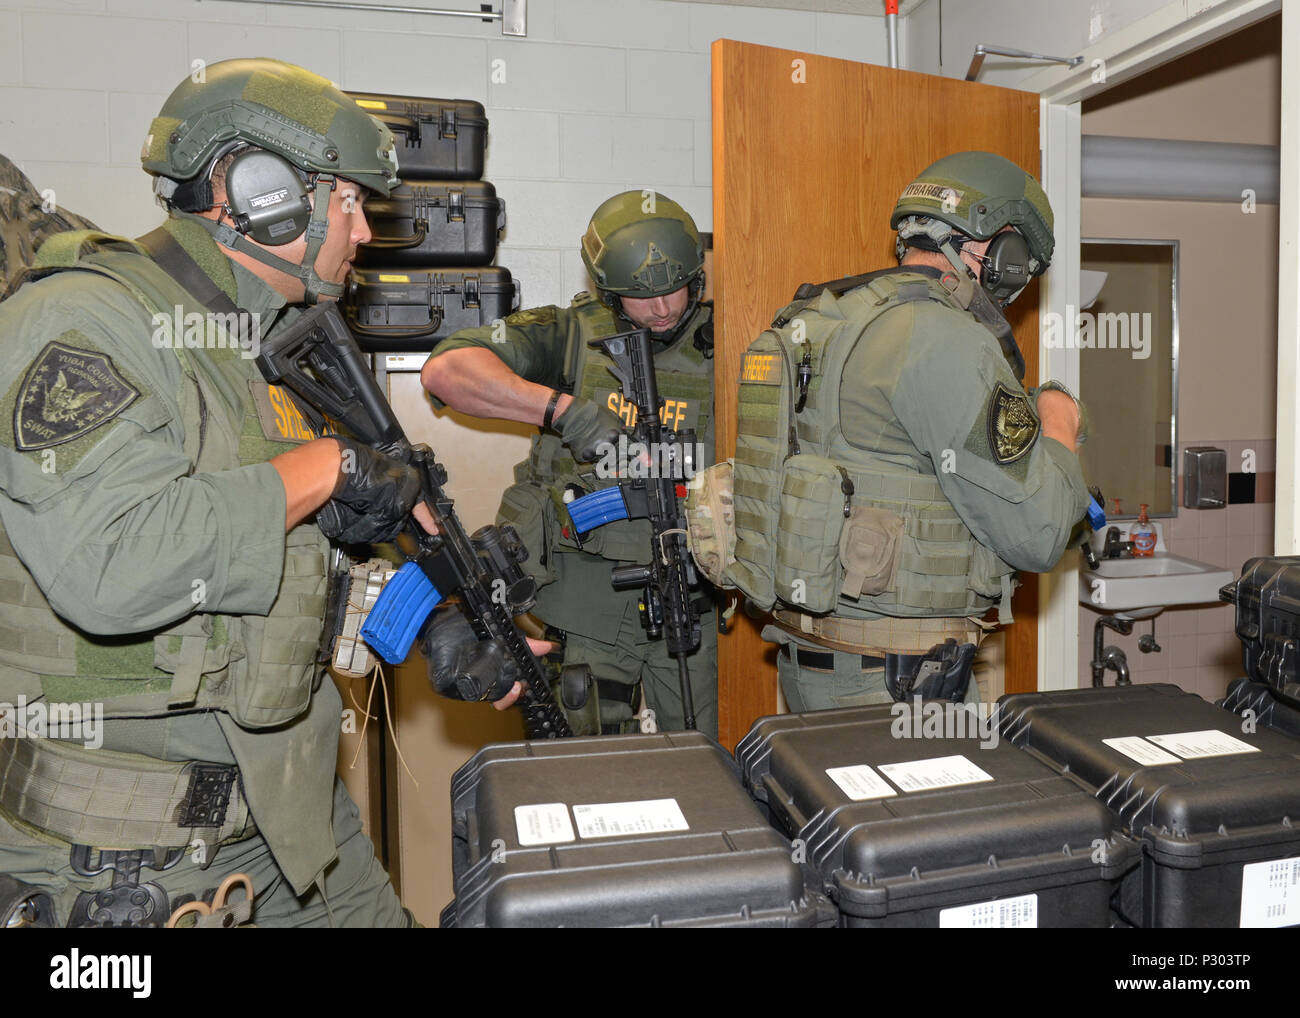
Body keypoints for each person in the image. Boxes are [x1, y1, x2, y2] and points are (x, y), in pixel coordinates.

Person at [0, 58, 443, 928]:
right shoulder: (85, 319)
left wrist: (434, 614)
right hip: (119, 867)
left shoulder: (260, 348)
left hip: (288, 822)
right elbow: (110, 565)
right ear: (261, 192)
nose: (363, 232)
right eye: (349, 201)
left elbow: (281, 568)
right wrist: (322, 468)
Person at [715, 151, 1087, 712]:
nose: (1019, 284)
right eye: (1022, 260)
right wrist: (1058, 421)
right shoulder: (943, 338)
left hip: (815, 663)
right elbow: (1039, 532)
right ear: (996, 247)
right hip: (897, 685)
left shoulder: (821, 319)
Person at [421, 191, 719, 737]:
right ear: (607, 292)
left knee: (706, 766)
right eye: (638, 297)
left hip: (694, 604)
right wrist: (564, 412)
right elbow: (446, 371)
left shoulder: (728, 333)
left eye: (675, 289)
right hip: (585, 608)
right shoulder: (568, 334)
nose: (662, 309)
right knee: (584, 772)